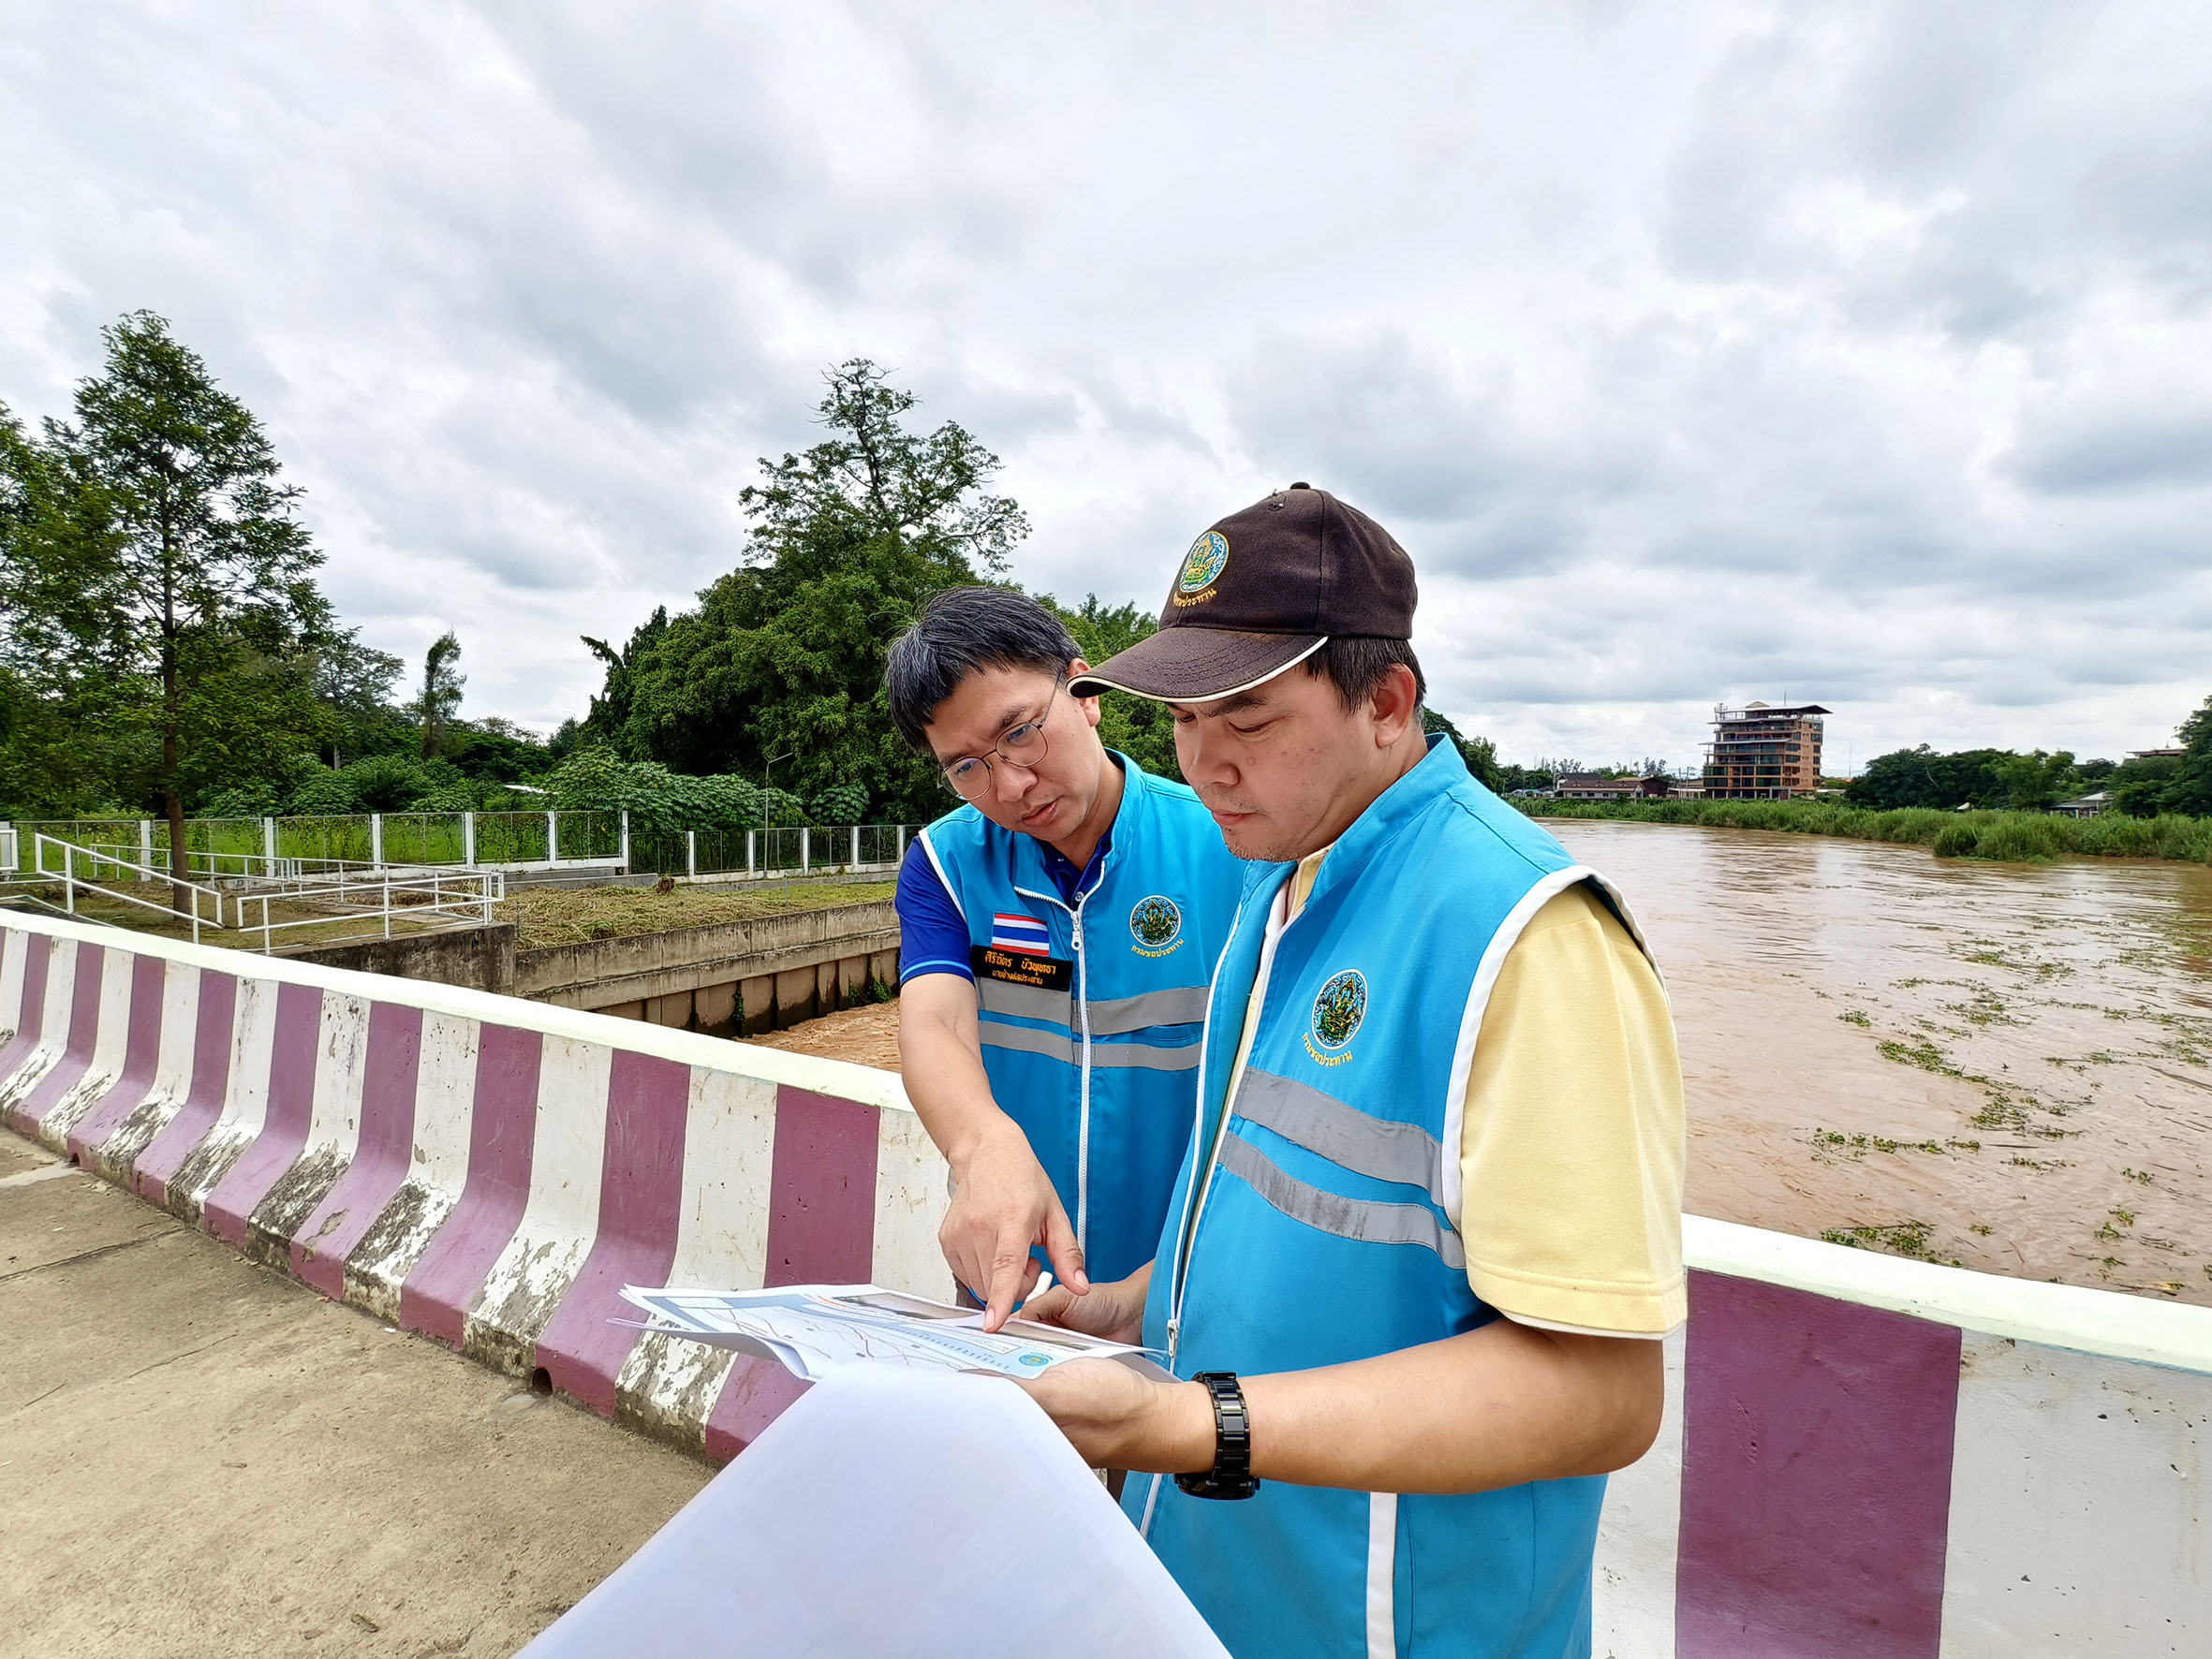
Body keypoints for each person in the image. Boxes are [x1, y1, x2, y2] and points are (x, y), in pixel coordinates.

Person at [1016, 485, 1686, 1658]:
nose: (1205, 763)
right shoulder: (1282, 884)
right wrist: (1126, 1306)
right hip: (1219, 1597)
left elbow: (1602, 1391)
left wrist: (1190, 1421)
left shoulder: (1526, 934)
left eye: (1250, 719)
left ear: (1386, 701)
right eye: (1180, 718)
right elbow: (1289, 1214)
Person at [885, 587, 1247, 1331]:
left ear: (1084, 693)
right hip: (1014, 1273)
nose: (1009, 785)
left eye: (1021, 731)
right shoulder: (945, 864)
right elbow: (935, 1027)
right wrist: (983, 1146)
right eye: (966, 767)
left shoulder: (1233, 849)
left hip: (1186, 1273)